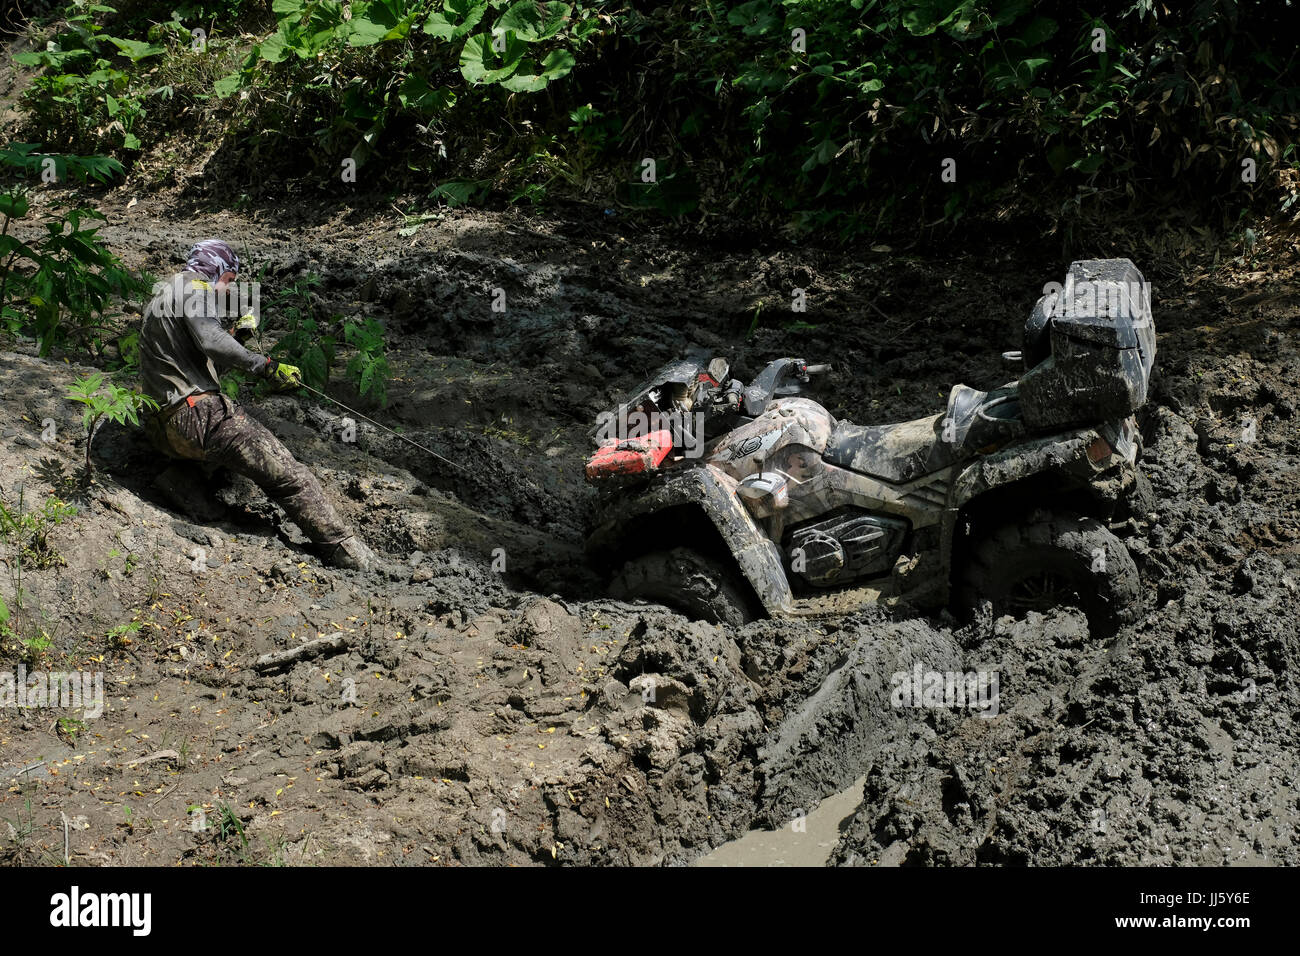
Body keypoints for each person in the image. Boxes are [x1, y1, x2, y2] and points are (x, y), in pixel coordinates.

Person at [139, 238, 377, 571]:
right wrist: (264, 365)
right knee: (291, 476)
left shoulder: (164, 293)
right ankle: (348, 552)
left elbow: (196, 361)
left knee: (227, 460)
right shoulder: (194, 286)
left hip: (163, 428)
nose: (228, 289)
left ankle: (182, 482)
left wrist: (238, 338)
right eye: (231, 281)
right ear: (218, 269)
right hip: (198, 416)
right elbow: (210, 340)